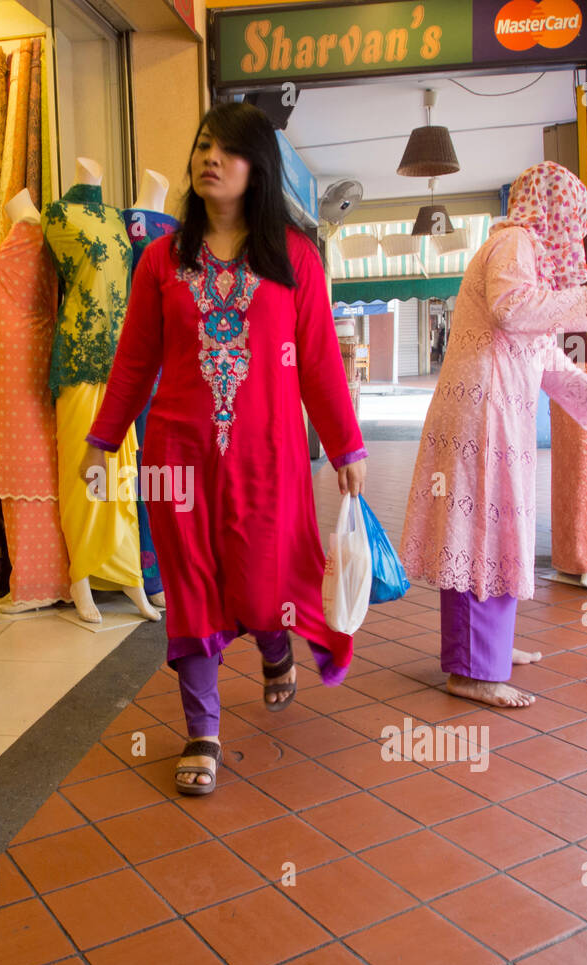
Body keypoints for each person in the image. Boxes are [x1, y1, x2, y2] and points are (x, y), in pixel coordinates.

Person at [83, 103, 366, 795]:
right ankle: (202, 728)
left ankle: (276, 647)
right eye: (203, 145)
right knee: (191, 588)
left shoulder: (294, 259)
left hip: (268, 458)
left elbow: (321, 361)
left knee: (264, 580)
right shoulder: (161, 261)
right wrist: (102, 441)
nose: (210, 158)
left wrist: (345, 445)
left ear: (257, 169)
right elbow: (133, 362)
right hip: (177, 456)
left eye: (229, 151)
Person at [400, 161, 587, 709]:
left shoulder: (524, 255)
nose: (574, 245)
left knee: (497, 529)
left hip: (497, 413)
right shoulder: (514, 243)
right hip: (480, 413)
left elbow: (542, 353)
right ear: (553, 215)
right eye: (574, 227)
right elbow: (511, 313)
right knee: (479, 533)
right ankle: (472, 670)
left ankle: (492, 650)